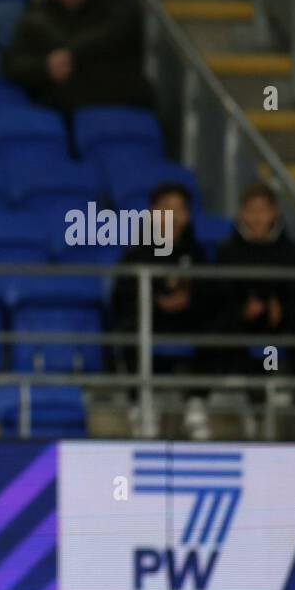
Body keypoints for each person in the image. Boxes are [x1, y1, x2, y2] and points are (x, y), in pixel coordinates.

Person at [110, 182, 210, 438]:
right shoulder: (136, 255)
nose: (173, 216)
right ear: (153, 213)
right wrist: (157, 302)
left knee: (217, 324)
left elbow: (214, 294)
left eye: (179, 209)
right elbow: (120, 299)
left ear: (188, 216)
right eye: (166, 208)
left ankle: (196, 402)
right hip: (150, 321)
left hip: (188, 322)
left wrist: (190, 300)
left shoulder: (198, 254)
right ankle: (142, 403)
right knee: (131, 328)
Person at [2, 0, 149, 111]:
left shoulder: (111, 11)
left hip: (113, 100)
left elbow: (123, 34)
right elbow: (12, 64)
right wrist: (45, 67)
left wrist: (71, 52)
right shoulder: (35, 19)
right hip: (60, 105)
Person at [213, 182, 295, 379]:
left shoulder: (292, 252)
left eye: (263, 210)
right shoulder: (227, 251)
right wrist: (244, 309)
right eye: (251, 210)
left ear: (275, 213)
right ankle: (238, 388)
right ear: (241, 213)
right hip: (240, 318)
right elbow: (221, 292)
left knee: (290, 333)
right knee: (225, 325)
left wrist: (280, 306)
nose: (257, 218)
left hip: (279, 321)